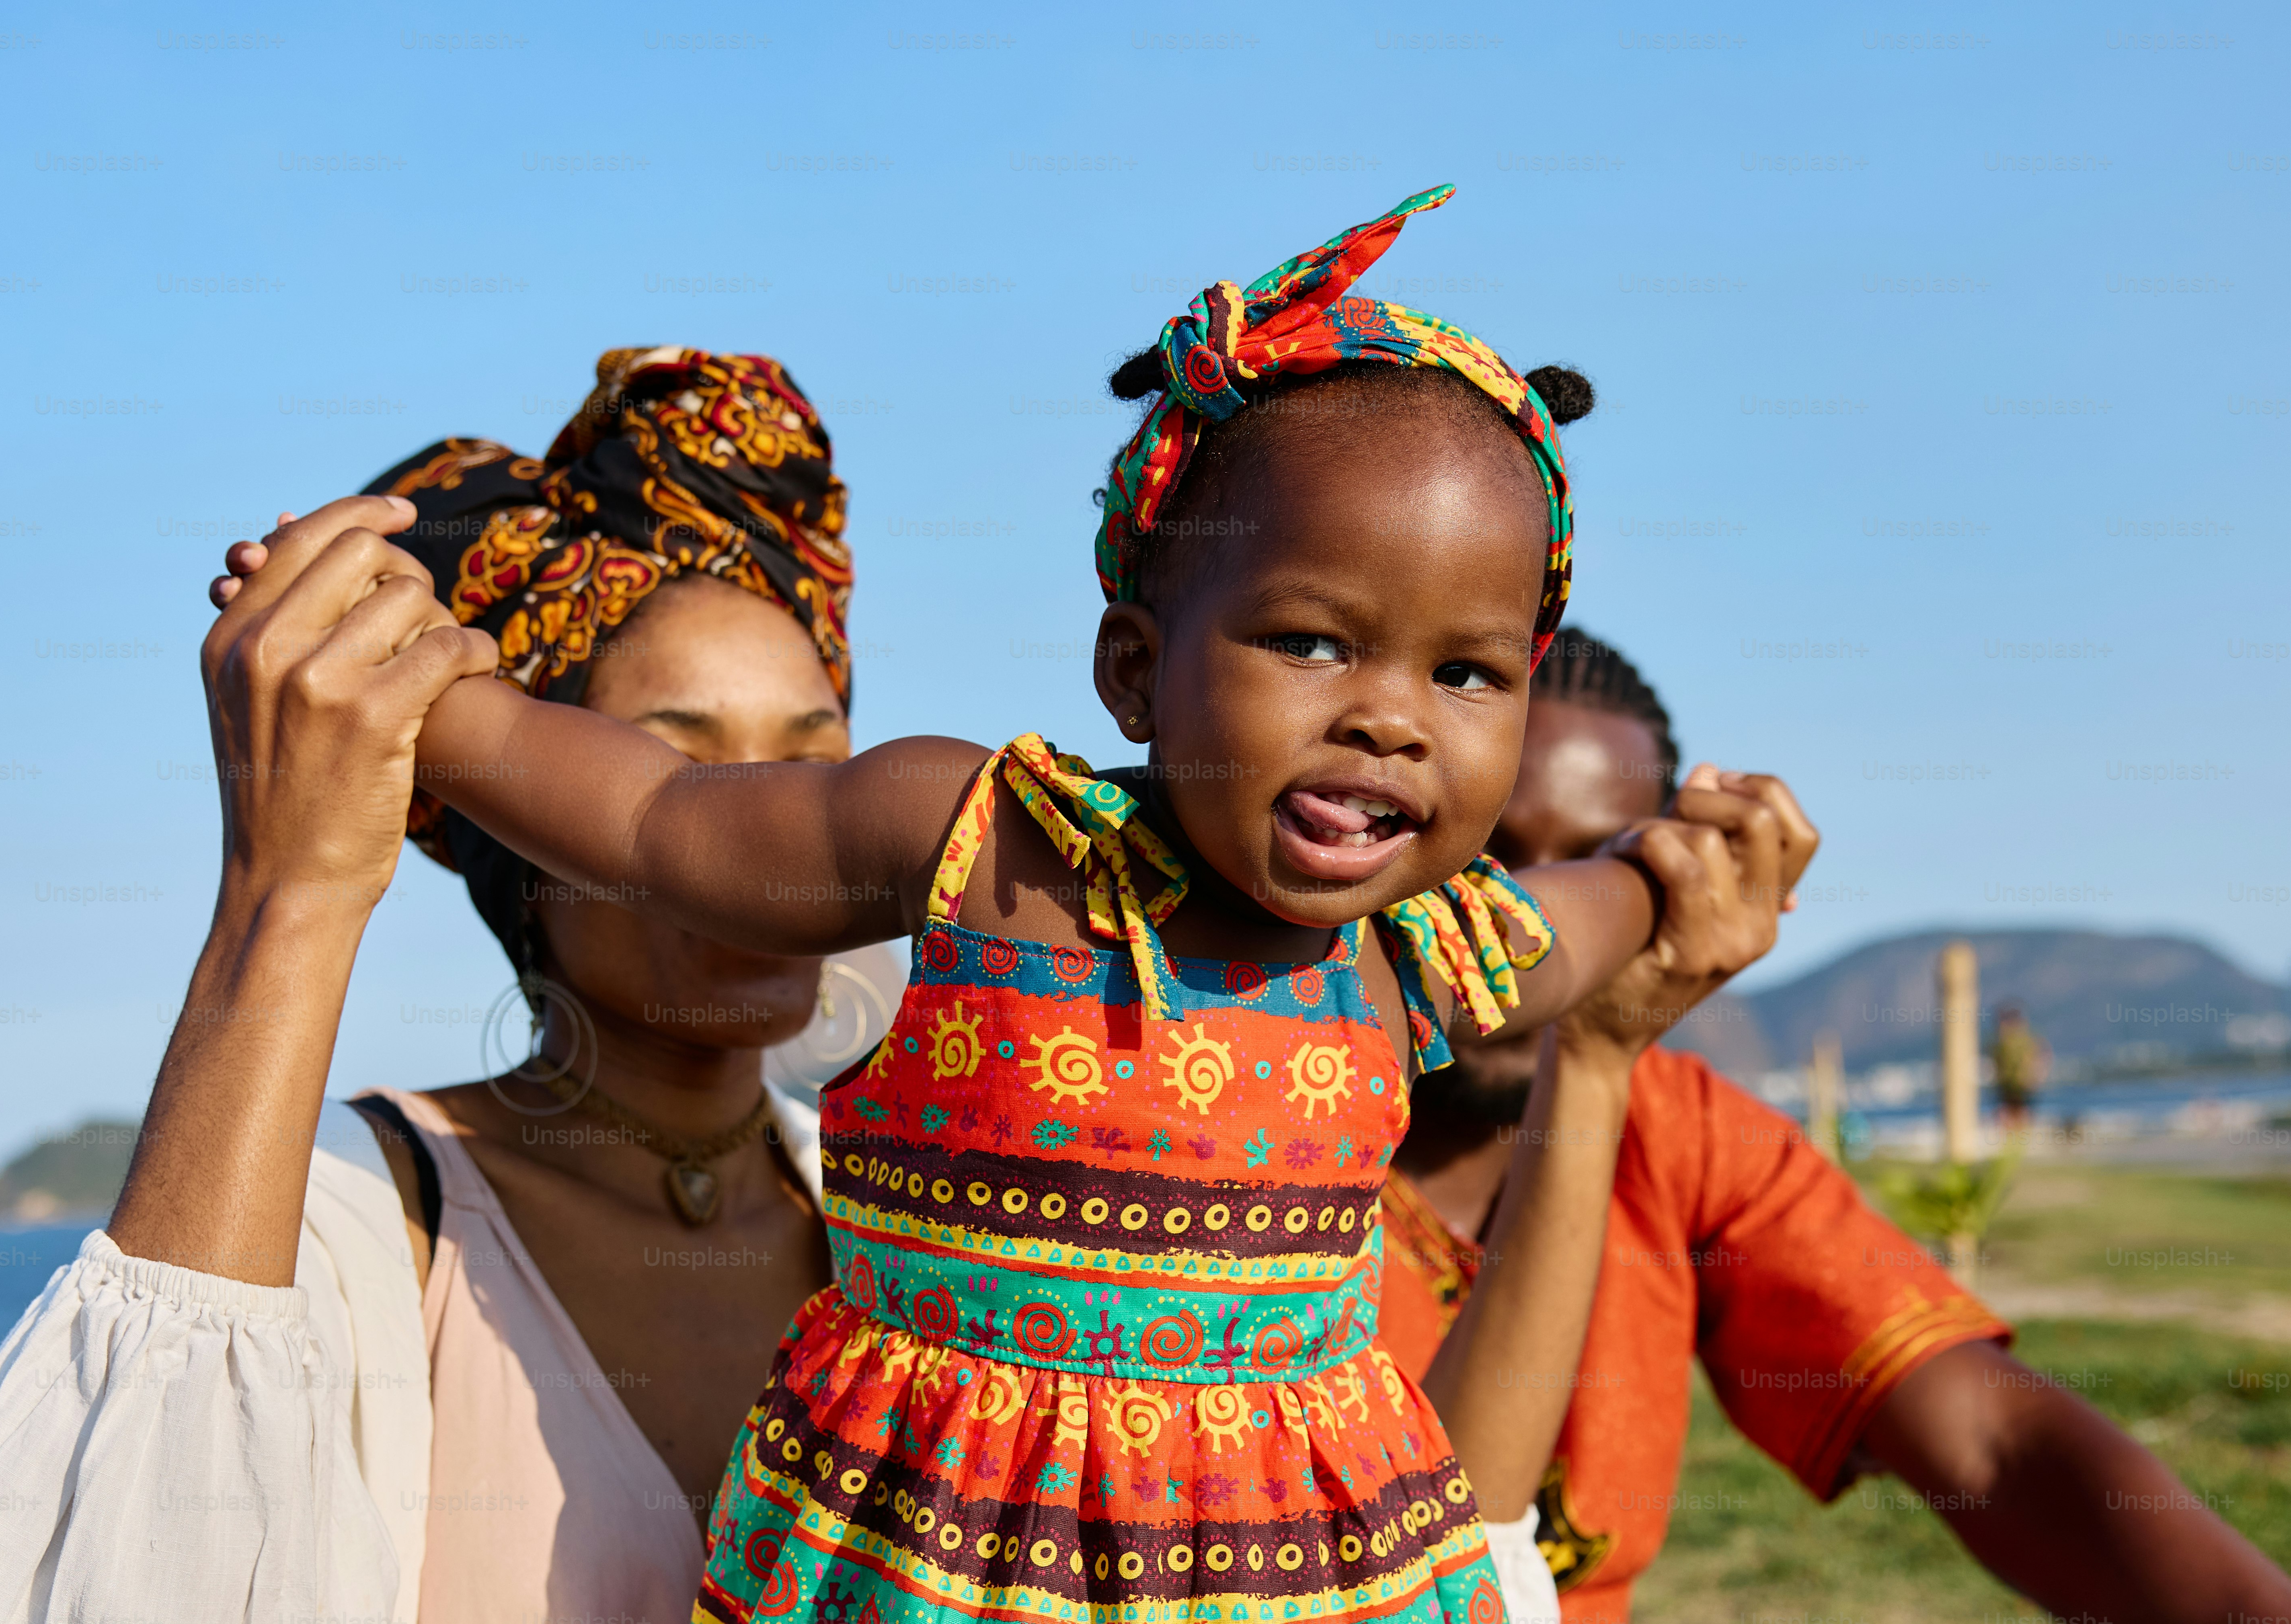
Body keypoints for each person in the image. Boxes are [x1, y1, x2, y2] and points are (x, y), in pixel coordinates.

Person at [218, 184, 1815, 1624]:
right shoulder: (990, 843)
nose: (1389, 714)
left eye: (1464, 672)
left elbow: (1604, 918)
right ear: (1131, 667)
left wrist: (1681, 862)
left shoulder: (1423, 948)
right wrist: (421, 687)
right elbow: (652, 821)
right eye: (1310, 640)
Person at [0, 349, 889, 1624]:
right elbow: (139, 1581)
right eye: (680, 766)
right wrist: (289, 893)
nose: (770, 823)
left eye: (812, 755)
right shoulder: (361, 1238)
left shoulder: (917, 1213)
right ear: (529, 829)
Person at [1378, 627, 2291, 1624]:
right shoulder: (1250, 1138)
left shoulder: (1676, 1132)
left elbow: (1990, 1444)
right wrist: (1590, 1062)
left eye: (1597, 876)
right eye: (1485, 860)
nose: (1527, 925)